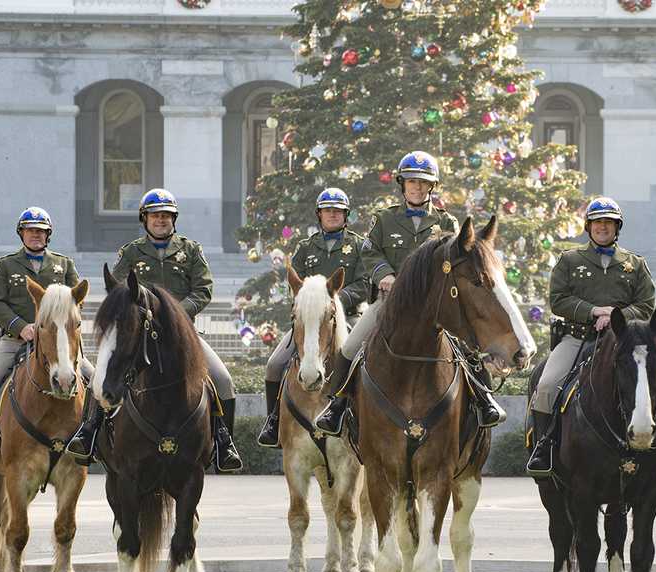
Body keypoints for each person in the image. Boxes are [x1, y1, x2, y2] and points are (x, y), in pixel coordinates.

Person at [313, 150, 506, 436]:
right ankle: (336, 405)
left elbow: (456, 261)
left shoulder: (447, 222)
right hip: (391, 302)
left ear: (432, 187)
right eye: (411, 182)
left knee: (468, 348)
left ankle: (485, 399)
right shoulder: (384, 219)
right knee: (351, 346)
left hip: (436, 306)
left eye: (423, 182)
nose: (416, 187)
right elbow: (369, 251)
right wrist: (385, 276)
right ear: (402, 184)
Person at [64, 188, 242, 472]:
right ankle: (88, 432)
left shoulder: (191, 251)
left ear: (174, 219)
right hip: (138, 335)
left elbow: (204, 290)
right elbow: (118, 290)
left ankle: (224, 442)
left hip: (183, 336)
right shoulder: (131, 252)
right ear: (144, 219)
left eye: (166, 216)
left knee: (222, 380)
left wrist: (177, 315)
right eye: (155, 215)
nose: (161, 220)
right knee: (102, 375)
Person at [525, 197, 656, 480]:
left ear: (617, 227)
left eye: (608, 223)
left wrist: (617, 315)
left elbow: (646, 304)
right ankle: (543, 448)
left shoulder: (635, 263)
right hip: (579, 338)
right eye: (597, 223)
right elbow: (558, 300)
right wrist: (594, 312)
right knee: (546, 385)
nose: (602, 228)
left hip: (625, 342)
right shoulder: (569, 260)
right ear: (588, 227)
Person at [0, 207, 86, 464]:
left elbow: (76, 302)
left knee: (91, 378)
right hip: (16, 339)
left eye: (41, 231)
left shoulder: (63, 264)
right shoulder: (6, 265)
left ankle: (91, 435)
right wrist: (21, 327)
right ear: (21, 234)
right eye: (31, 231)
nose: (36, 235)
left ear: (48, 235)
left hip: (56, 340)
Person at [257, 187, 369, 448]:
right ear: (319, 215)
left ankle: (365, 421)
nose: (332, 215)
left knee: (361, 364)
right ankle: (274, 421)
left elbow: (365, 283)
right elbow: (293, 285)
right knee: (275, 364)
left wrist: (334, 303)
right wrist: (308, 305)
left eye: (338, 211)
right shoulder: (305, 248)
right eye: (328, 210)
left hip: (347, 318)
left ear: (346, 215)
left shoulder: (359, 246)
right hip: (309, 322)